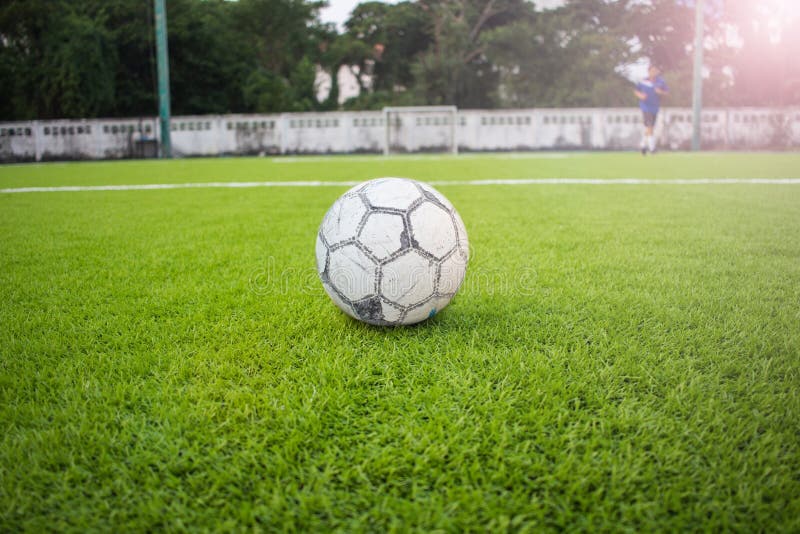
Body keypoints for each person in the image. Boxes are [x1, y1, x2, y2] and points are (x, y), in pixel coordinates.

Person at [634, 65, 668, 155]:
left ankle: (643, 145)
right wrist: (640, 95)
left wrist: (661, 92)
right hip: (645, 106)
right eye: (652, 71)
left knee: (649, 127)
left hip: (655, 107)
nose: (654, 72)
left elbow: (667, 92)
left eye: (655, 71)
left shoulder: (661, 82)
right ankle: (652, 148)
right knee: (650, 126)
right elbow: (636, 91)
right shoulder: (643, 81)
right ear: (648, 72)